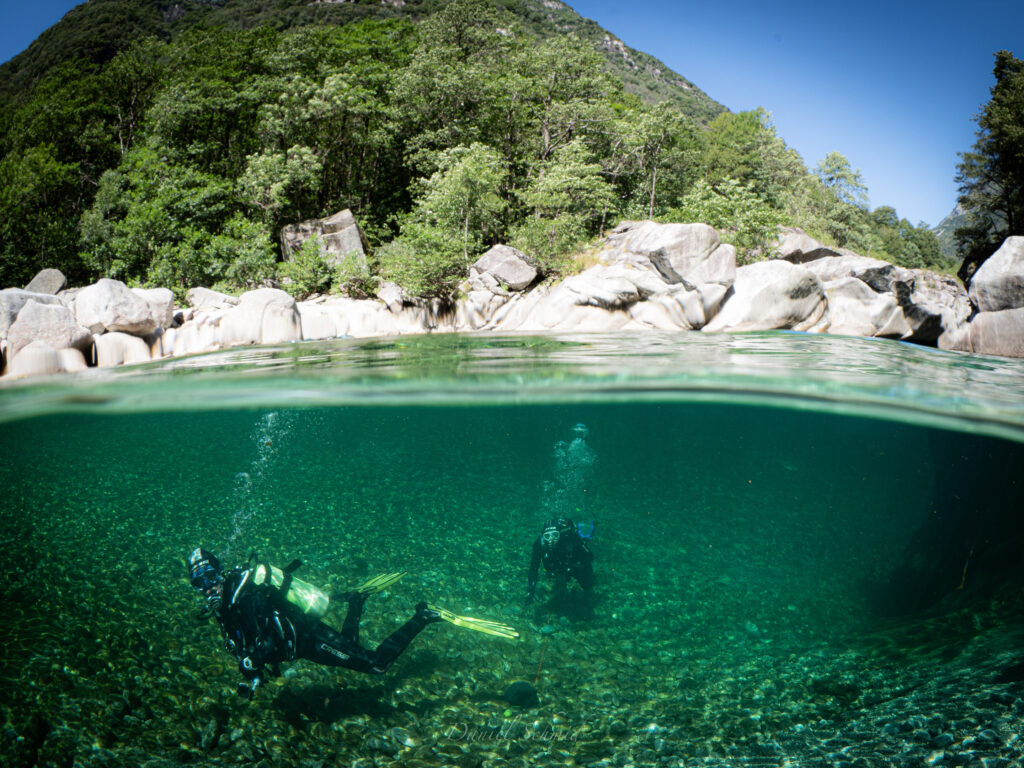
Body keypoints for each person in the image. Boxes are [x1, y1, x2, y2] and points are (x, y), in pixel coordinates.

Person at [188, 548, 517, 699]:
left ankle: (424, 615)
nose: (206, 586)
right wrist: (253, 676)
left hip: (308, 636)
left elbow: (266, 641)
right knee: (354, 650)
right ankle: (357, 602)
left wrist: (254, 660)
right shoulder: (225, 608)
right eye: (198, 582)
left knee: (376, 666)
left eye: (208, 576)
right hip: (301, 645)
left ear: (218, 571)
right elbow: (249, 646)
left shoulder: (244, 596)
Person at [524, 518, 595, 618]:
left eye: (555, 535)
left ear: (560, 534)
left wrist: (574, 567)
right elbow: (533, 569)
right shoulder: (539, 544)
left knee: (588, 585)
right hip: (557, 569)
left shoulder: (569, 538)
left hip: (574, 566)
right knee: (559, 595)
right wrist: (530, 592)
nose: (551, 540)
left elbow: (589, 556)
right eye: (547, 536)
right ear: (543, 536)